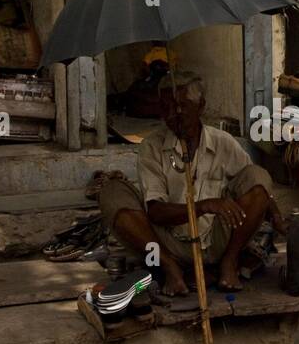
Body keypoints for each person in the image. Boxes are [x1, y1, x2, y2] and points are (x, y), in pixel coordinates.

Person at [100, 72, 287, 296]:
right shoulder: (151, 147)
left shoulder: (223, 142)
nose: (174, 114)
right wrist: (203, 206)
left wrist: (276, 216)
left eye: (182, 105)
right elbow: (156, 213)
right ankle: (171, 268)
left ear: (201, 106)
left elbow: (257, 185)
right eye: (167, 107)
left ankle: (229, 262)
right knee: (112, 192)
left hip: (217, 243)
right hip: (167, 245)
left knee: (258, 175)